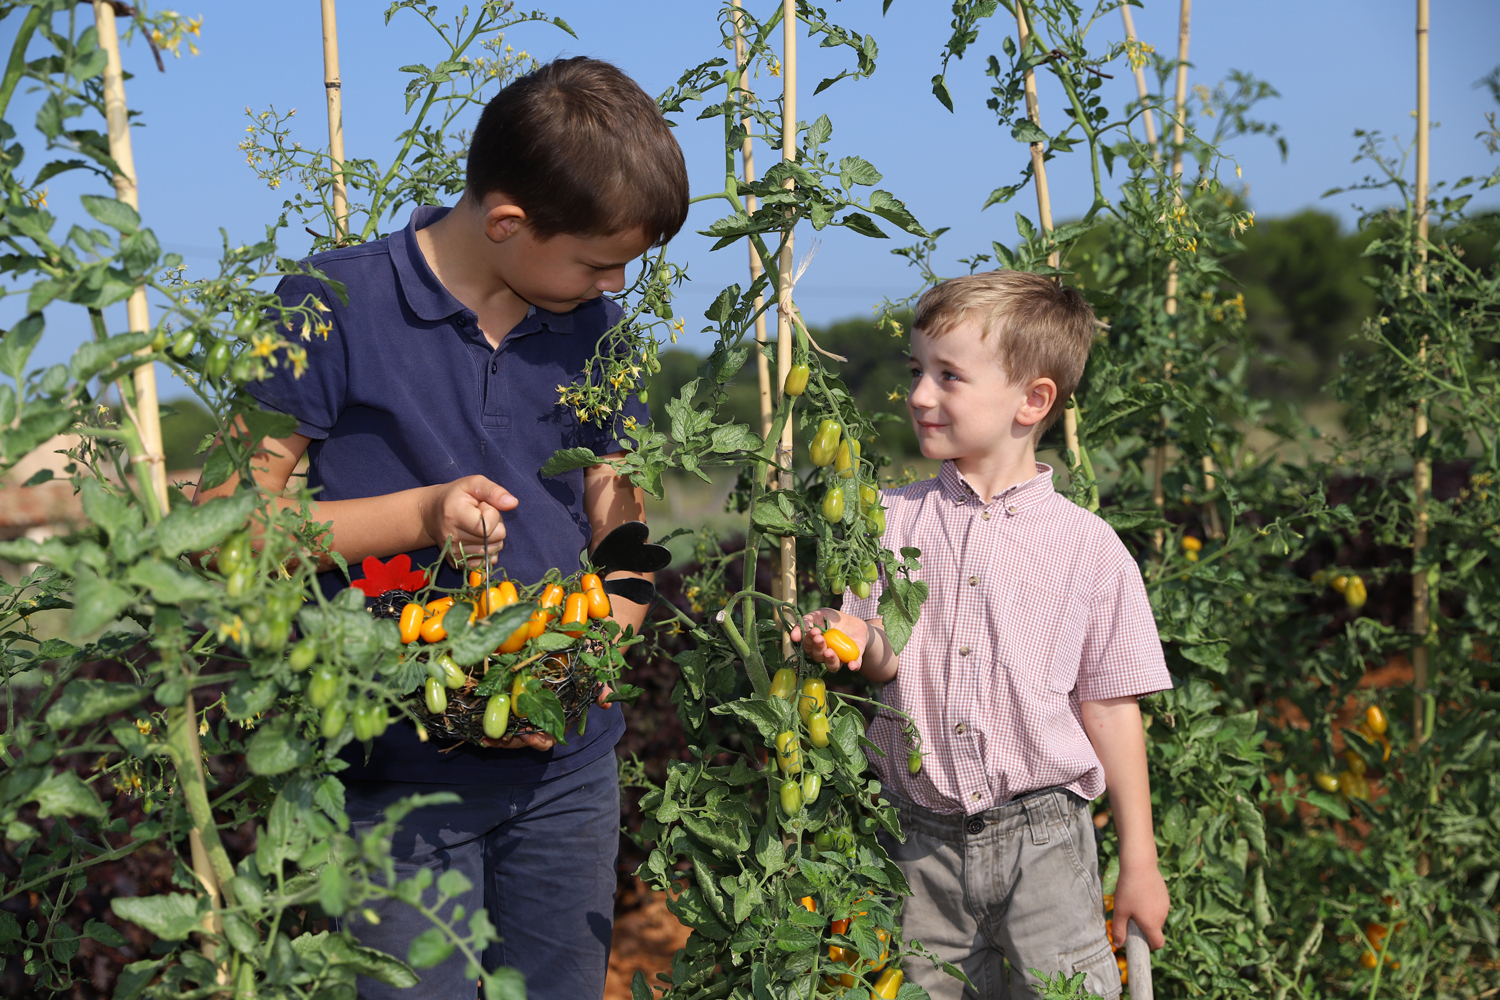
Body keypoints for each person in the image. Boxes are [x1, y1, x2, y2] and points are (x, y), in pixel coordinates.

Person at [196, 57, 688, 1000]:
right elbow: (230, 520)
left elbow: (612, 491)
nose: (616, 281)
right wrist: (420, 515)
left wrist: (613, 621)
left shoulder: (599, 327)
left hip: (566, 767)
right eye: (596, 260)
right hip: (394, 767)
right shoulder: (330, 304)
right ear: (508, 223)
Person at [793, 270, 1172, 1000]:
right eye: (915, 371)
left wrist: (1141, 862)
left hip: (1047, 842)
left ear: (1032, 401)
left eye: (949, 377)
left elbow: (1111, 710)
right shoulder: (892, 520)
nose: (919, 394)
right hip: (920, 841)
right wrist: (845, 633)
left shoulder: (1088, 548)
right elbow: (882, 658)